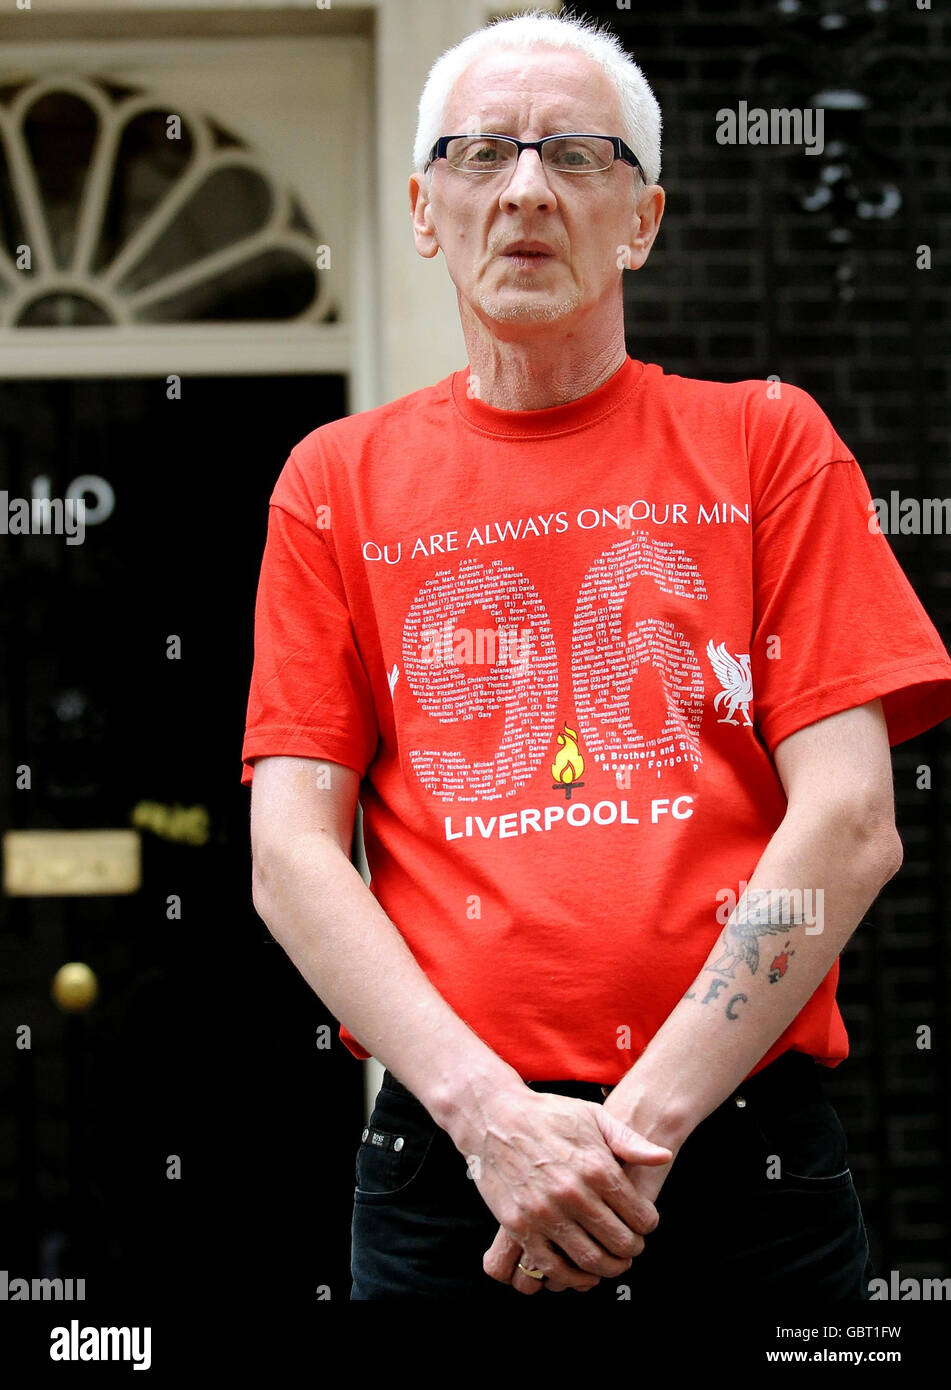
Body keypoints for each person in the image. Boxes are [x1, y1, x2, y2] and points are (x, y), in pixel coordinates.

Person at [241, 10, 951, 1300]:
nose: (525, 189)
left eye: (577, 155)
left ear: (644, 220)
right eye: (480, 152)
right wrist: (492, 1121)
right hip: (452, 1160)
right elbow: (291, 856)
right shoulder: (334, 482)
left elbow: (849, 822)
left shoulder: (767, 445)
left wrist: (638, 1135)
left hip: (741, 1159)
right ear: (421, 207)